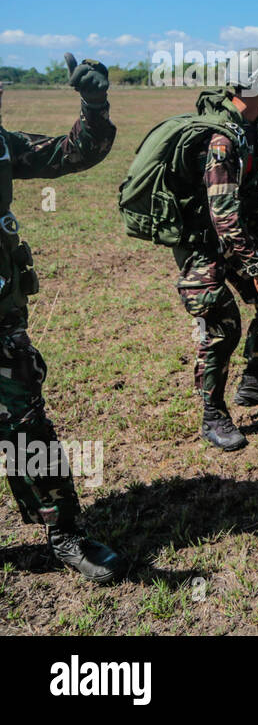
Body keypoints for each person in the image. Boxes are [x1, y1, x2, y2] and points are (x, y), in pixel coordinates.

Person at [0, 54, 125, 582]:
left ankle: (64, 532)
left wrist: (94, 104)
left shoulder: (2, 144)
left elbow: (73, 154)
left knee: (26, 425)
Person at [177, 47, 258, 452]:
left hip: (243, 243)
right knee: (222, 327)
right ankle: (212, 412)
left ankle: (255, 383)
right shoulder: (221, 140)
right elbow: (223, 215)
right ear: (254, 84)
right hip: (206, 248)